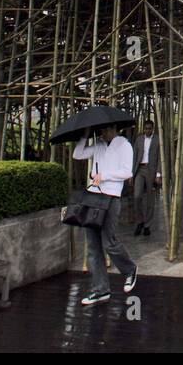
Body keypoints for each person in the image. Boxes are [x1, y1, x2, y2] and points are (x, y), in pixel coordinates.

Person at [71, 124, 139, 305]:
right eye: (101, 130)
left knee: (109, 241)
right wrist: (85, 135)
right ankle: (100, 290)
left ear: (115, 129)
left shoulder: (124, 145)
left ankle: (130, 269)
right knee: (93, 245)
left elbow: (127, 172)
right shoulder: (99, 144)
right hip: (93, 196)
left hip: (111, 197)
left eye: (106, 129)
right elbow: (77, 154)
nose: (103, 133)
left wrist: (105, 174)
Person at [131, 119, 162, 237]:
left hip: (151, 170)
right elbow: (134, 156)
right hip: (140, 169)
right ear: (143, 129)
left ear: (153, 129)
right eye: (146, 128)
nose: (148, 130)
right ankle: (140, 221)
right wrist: (131, 173)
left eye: (150, 128)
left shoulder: (157, 139)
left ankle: (147, 225)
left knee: (150, 199)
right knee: (137, 196)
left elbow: (160, 157)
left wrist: (158, 174)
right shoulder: (139, 139)